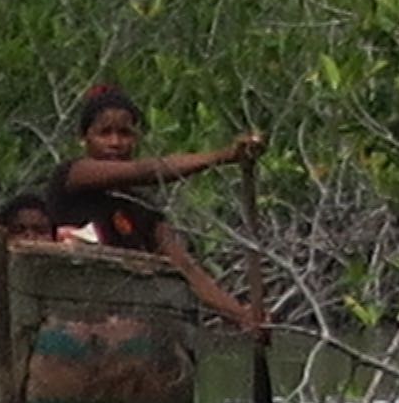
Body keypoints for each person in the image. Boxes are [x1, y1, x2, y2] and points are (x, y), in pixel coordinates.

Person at [53, 82, 269, 337]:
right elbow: (146, 171)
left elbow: (186, 268)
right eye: (104, 133)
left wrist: (242, 317)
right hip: (69, 318)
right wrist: (223, 156)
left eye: (125, 134)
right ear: (84, 138)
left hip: (122, 325)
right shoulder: (74, 175)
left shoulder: (143, 207)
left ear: (136, 139)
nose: (115, 142)